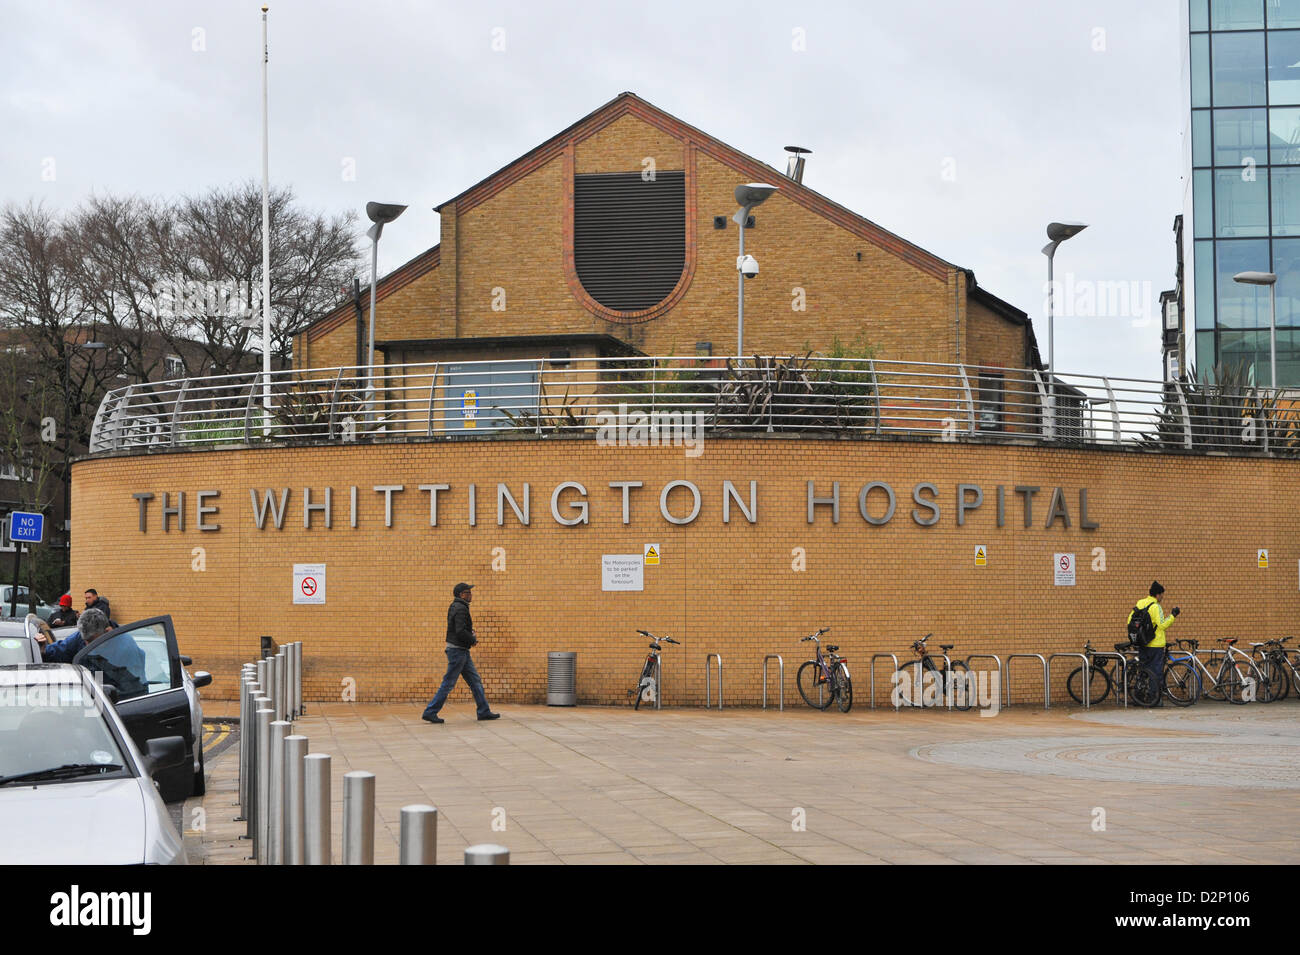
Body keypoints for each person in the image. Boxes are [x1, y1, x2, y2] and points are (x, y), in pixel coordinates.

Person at [421, 583, 499, 724]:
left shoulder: (456, 606)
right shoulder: (461, 608)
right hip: (458, 651)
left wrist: (470, 633)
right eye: (468, 592)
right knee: (448, 683)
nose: (470, 594)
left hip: (461, 651)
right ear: (461, 595)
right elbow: (460, 631)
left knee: (475, 681)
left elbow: (459, 628)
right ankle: (430, 712)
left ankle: (484, 711)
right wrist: (472, 639)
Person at [1128, 580, 1179, 696]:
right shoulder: (1156, 607)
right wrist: (1172, 616)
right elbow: (1162, 625)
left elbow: (1129, 620)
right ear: (1157, 594)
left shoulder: (1140, 603)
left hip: (1142, 643)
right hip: (1155, 645)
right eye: (1162, 595)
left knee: (1143, 671)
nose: (1162, 597)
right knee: (1155, 673)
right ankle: (1153, 698)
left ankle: (1139, 697)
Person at [37, 607, 109, 663]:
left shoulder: (119, 638)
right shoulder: (78, 638)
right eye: (85, 640)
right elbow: (59, 650)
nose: (88, 645)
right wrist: (42, 649)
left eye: (92, 641)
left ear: (107, 631)